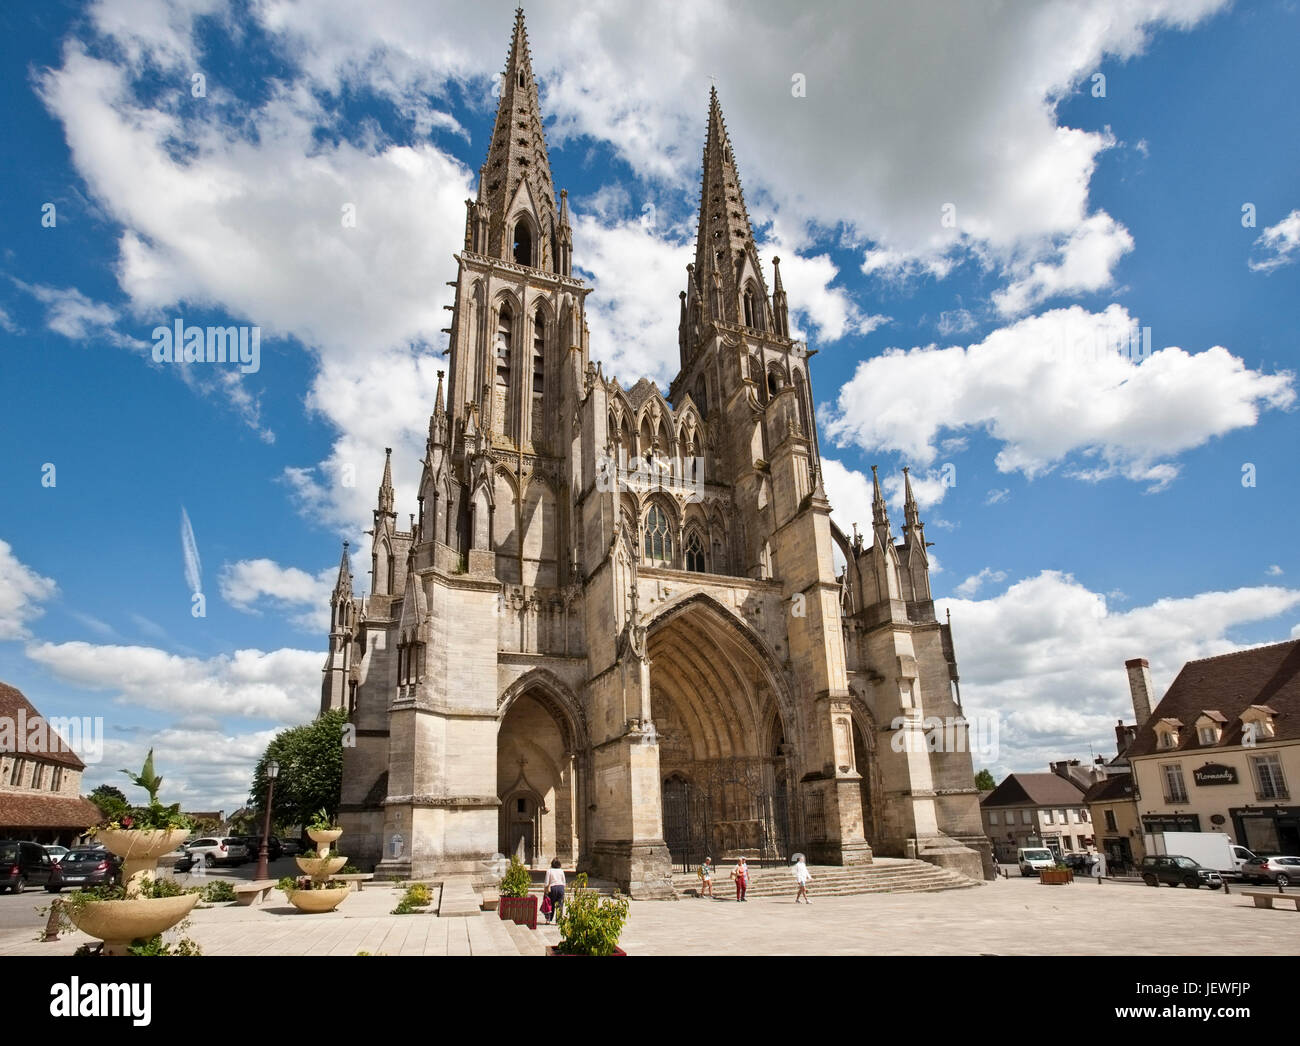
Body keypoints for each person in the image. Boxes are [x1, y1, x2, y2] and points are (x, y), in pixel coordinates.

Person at [543, 858, 565, 924]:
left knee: (550, 904)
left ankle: (549, 919)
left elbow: (546, 882)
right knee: (560, 904)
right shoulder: (561, 871)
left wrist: (545, 891)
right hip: (560, 887)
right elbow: (564, 882)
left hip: (552, 888)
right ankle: (558, 920)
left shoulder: (549, 871)